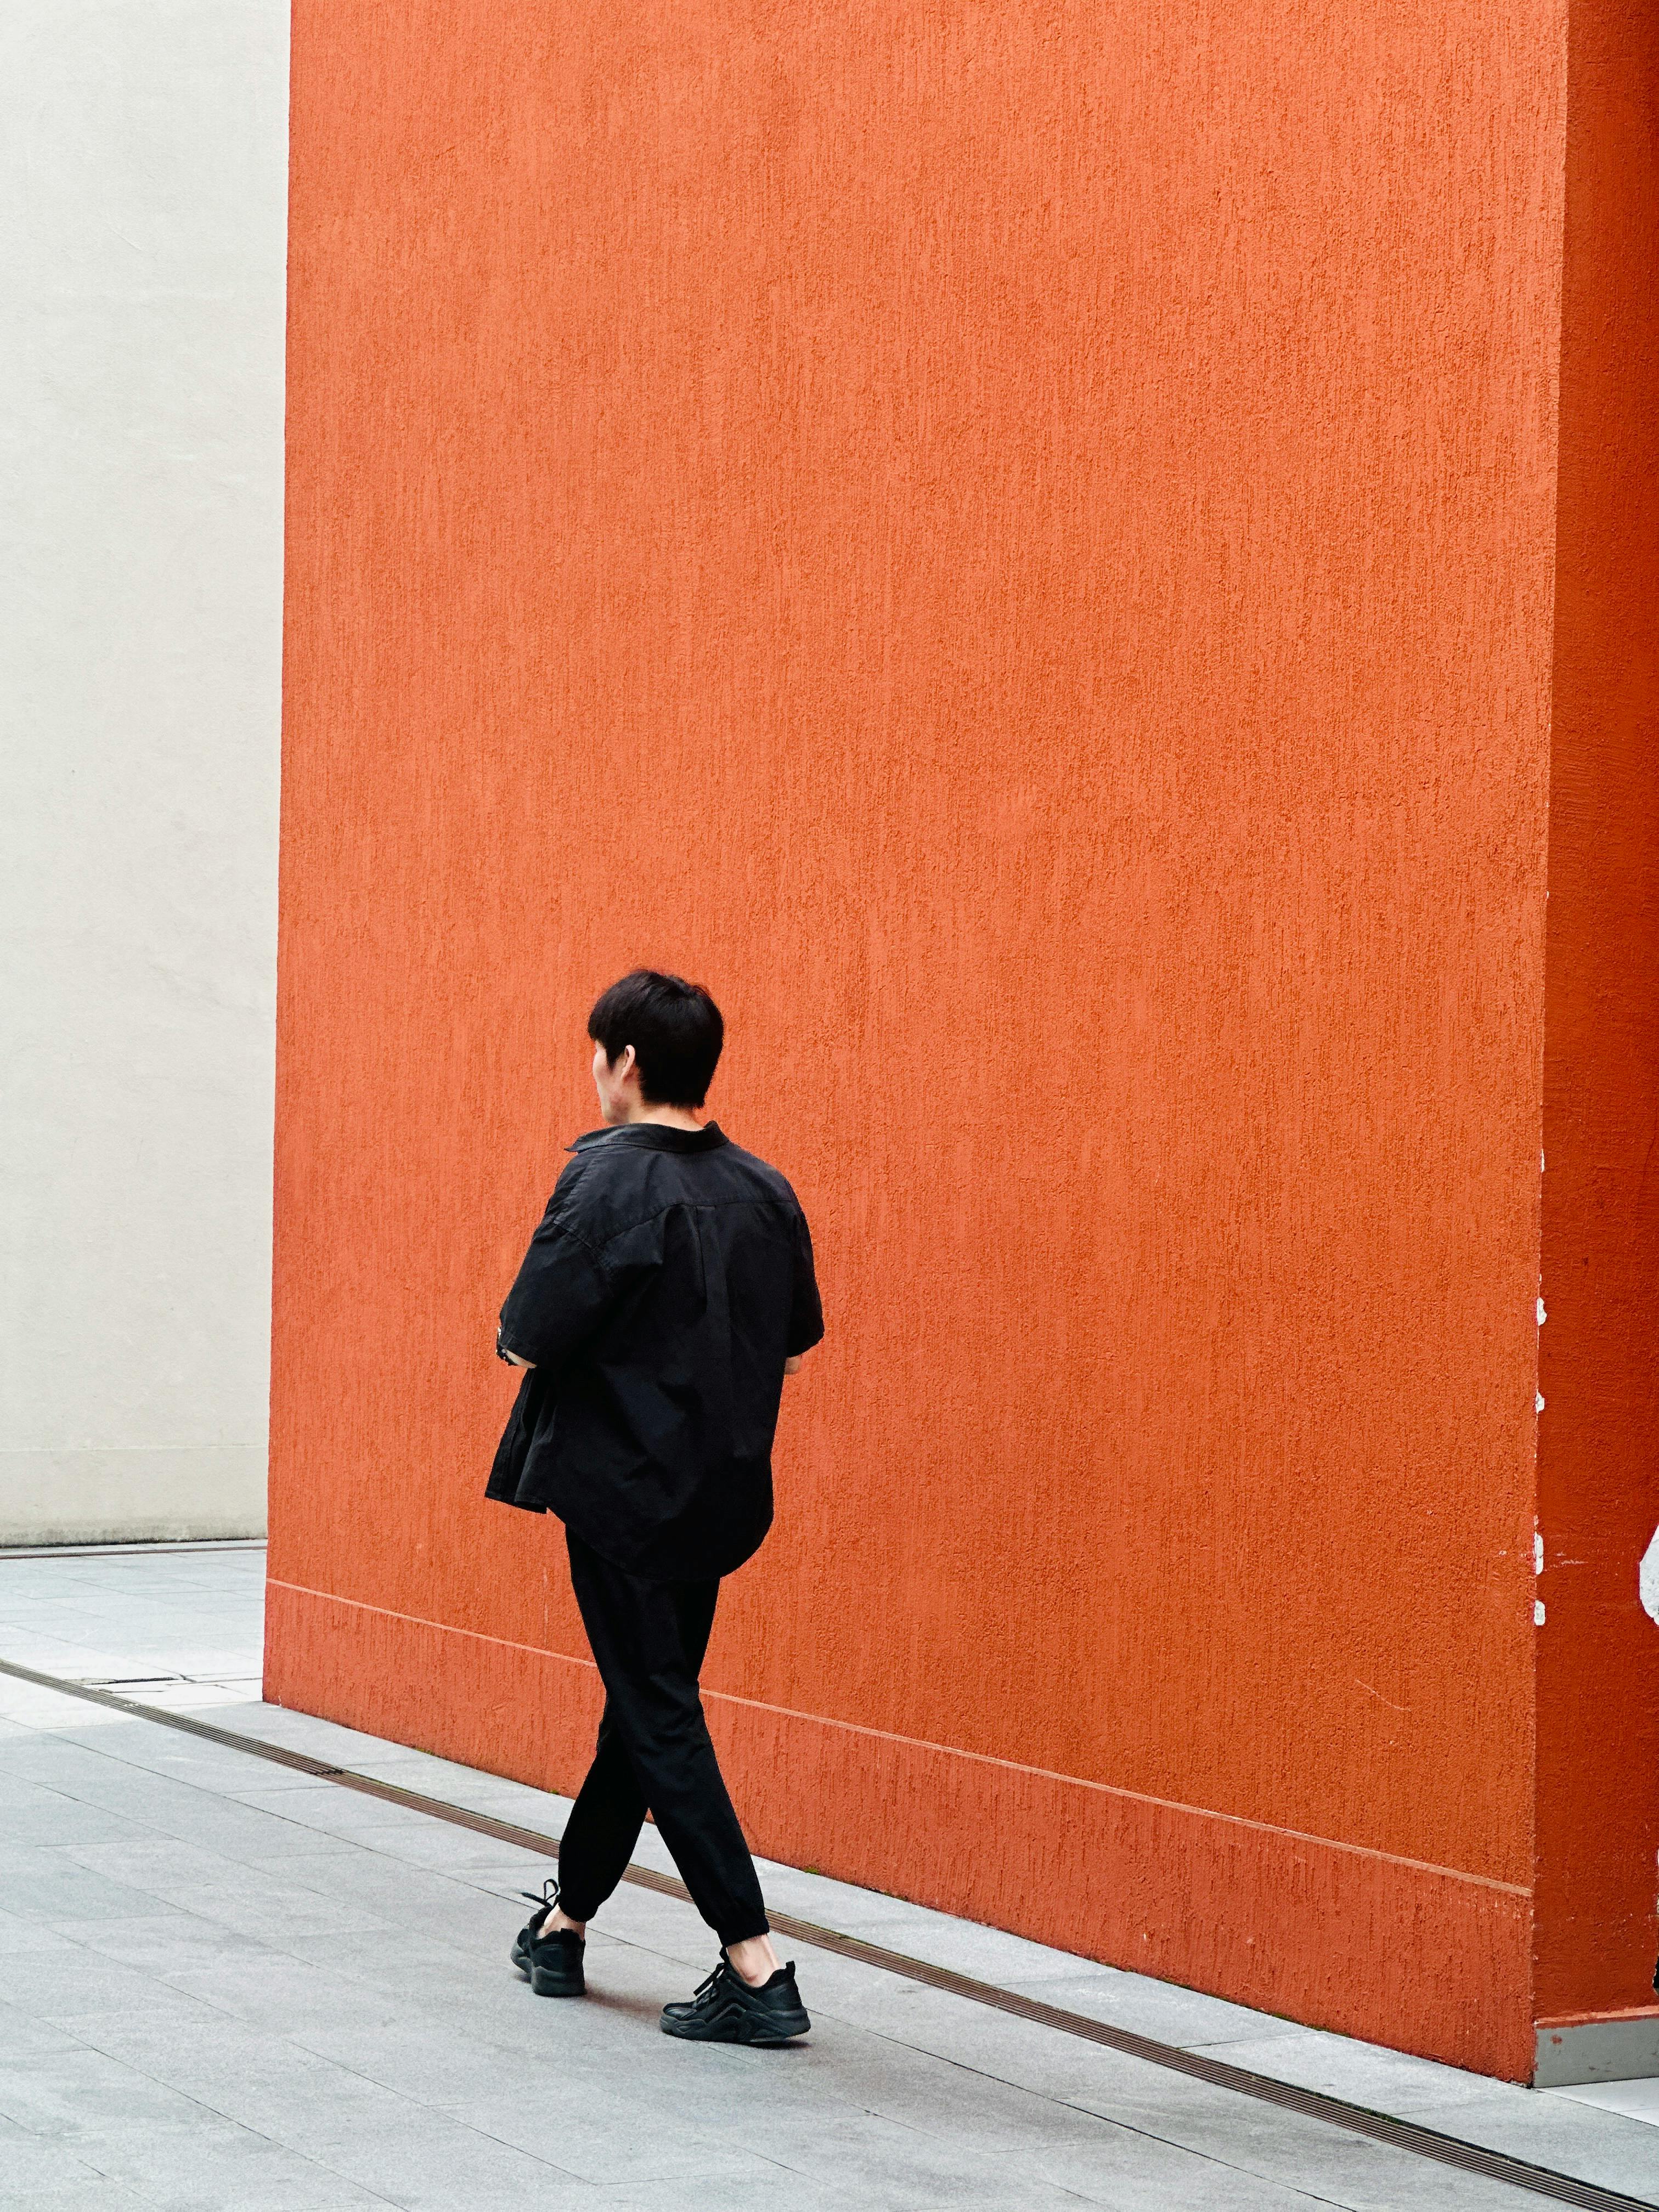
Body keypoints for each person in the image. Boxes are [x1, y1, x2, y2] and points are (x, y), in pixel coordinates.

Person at [486, 969, 824, 2044]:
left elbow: (528, 1333)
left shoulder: (608, 1183)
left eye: (596, 1054)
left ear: (625, 1063)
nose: (594, 1072)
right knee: (643, 1711)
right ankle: (566, 1925)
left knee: (660, 1715)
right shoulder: (765, 1190)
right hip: (719, 1495)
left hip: (623, 1497)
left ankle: (756, 1964)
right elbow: (797, 1335)